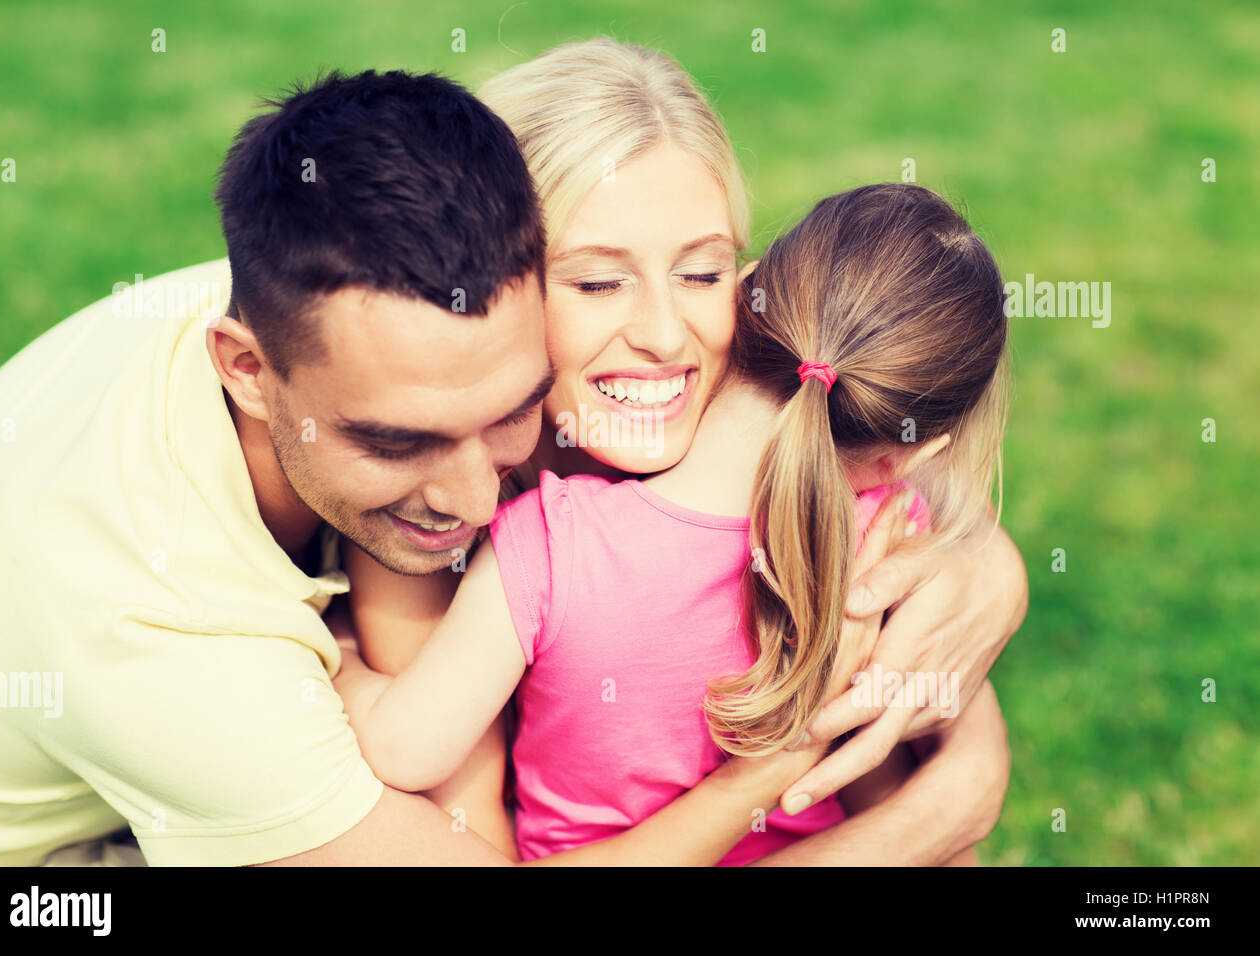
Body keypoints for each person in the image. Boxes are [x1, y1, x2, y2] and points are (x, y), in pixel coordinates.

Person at [0, 66, 1011, 867]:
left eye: (701, 270)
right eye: (397, 440)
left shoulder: (374, 274)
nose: (472, 503)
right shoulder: (163, 637)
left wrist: (987, 575)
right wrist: (915, 801)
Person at [339, 39, 1026, 864]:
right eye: (597, 283)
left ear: (757, 282)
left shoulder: (562, 541)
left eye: (702, 274)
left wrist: (995, 579)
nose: (665, 337)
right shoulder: (433, 517)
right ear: (482, 289)